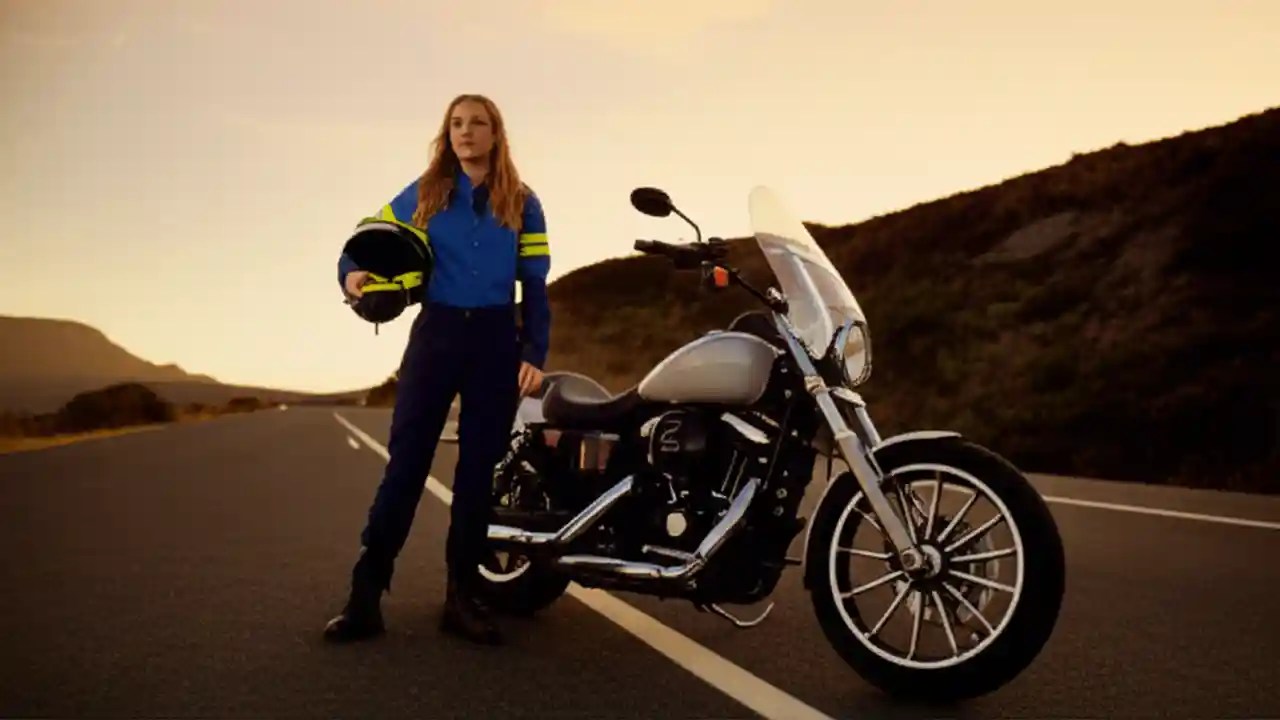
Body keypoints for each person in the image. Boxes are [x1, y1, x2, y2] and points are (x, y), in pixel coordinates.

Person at [324, 94, 551, 646]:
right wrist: (353, 279)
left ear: (496, 135)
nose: (466, 132)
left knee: (477, 476)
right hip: (437, 336)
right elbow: (357, 247)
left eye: (477, 124)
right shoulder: (424, 194)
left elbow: (535, 286)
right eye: (456, 124)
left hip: (496, 339)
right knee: (406, 466)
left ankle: (462, 599)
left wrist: (534, 353)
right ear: (445, 134)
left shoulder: (522, 202)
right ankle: (365, 597)